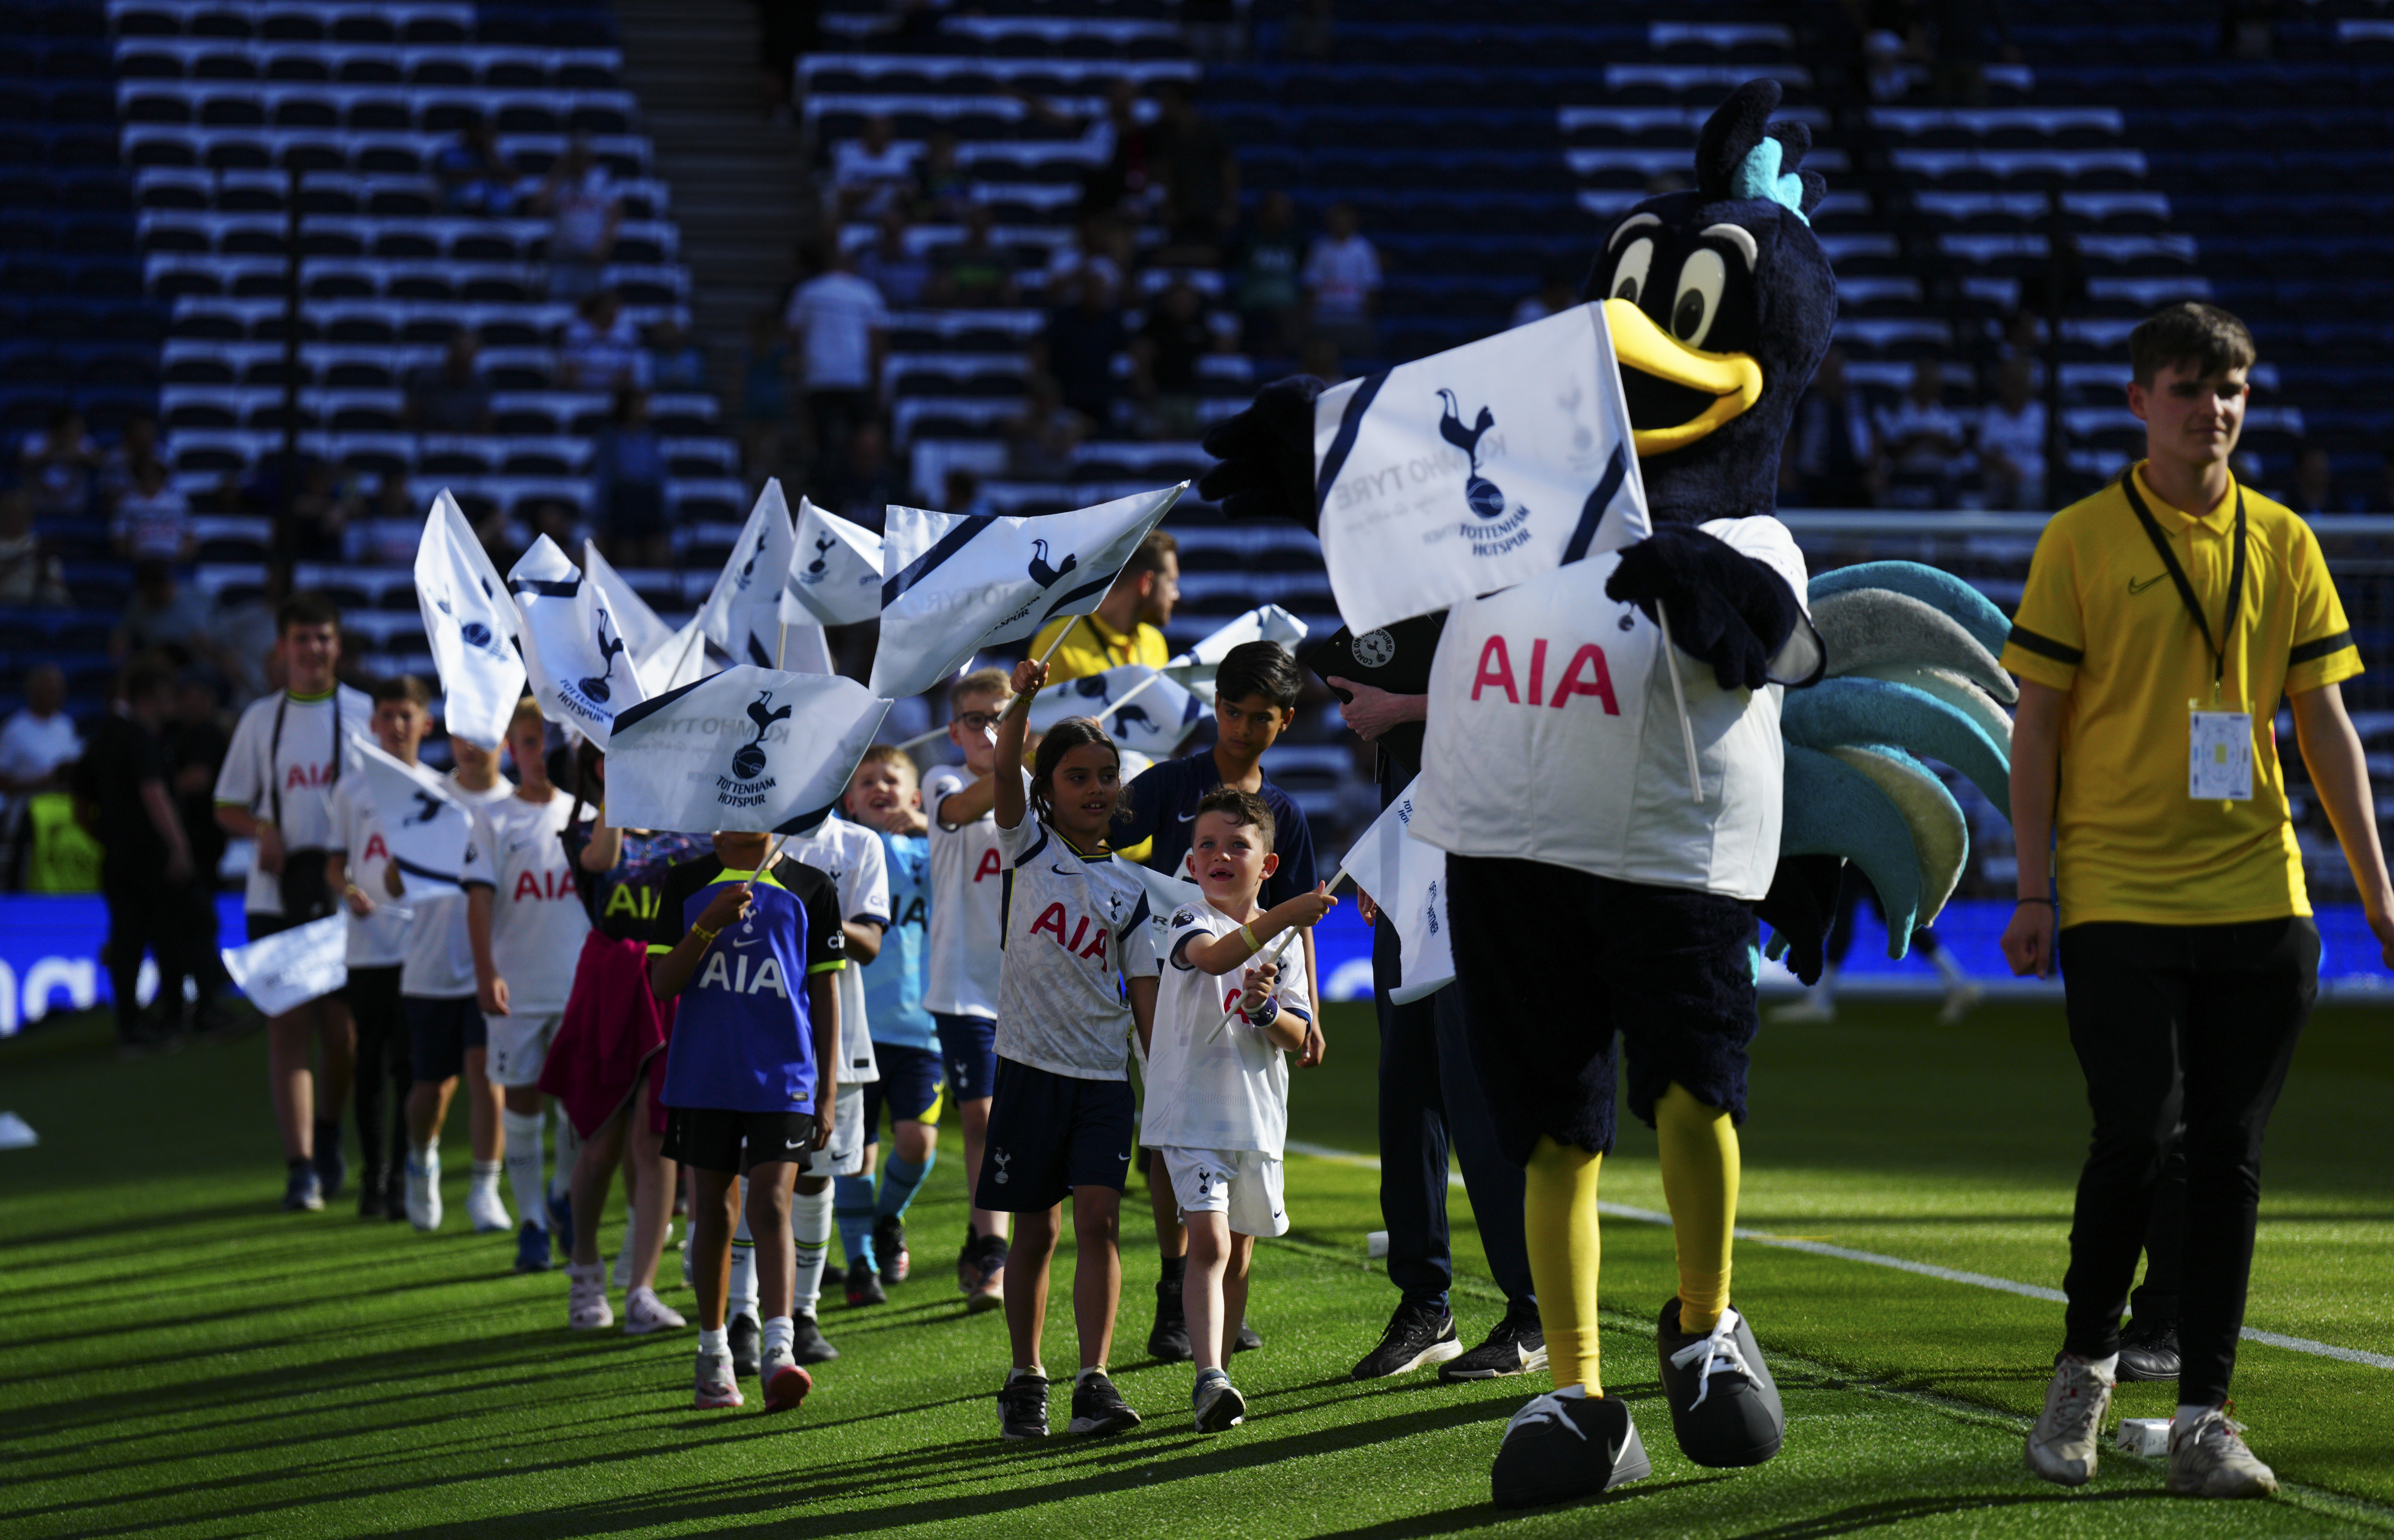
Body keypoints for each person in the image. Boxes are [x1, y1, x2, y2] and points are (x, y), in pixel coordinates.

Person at [2005, 303, 2393, 1497]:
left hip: (2258, 890)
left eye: (2226, 388)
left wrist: (2380, 894)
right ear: (2139, 403)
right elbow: (2040, 724)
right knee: (2137, 1133)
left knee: (2227, 1156)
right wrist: (2032, 885)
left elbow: (2324, 726)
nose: (2209, 409)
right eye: (2185, 387)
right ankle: (2085, 1367)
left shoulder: (2287, 540)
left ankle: (2207, 1416)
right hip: (2117, 887)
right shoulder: (2078, 539)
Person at [1109, 640, 1322, 1356]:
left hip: (1247, 987)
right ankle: (1178, 1286)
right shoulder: (1173, 782)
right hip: (1156, 969)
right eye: (1232, 710)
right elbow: (1098, 836)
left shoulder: (1282, 812)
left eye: (1259, 715)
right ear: (1216, 706)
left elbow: (1300, 912)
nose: (1241, 726)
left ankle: (1212, 1288)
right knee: (1169, 1129)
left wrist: (1309, 1007)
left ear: (1284, 720)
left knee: (1226, 1128)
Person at [983, 662, 1153, 1440]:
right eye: (1078, 775)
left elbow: (1145, 995)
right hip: (1027, 1067)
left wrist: (1165, 1089)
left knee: (1100, 1221)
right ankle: (1026, 1376)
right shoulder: (1025, 844)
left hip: (1101, 1078)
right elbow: (1003, 757)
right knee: (1038, 1229)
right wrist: (1020, 696)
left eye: (1107, 776)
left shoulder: (1133, 886)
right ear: (1046, 788)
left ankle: (1094, 1378)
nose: (1096, 788)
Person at [1142, 789, 1331, 1430]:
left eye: (1237, 846)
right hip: (1190, 1115)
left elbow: (1300, 1037)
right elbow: (1214, 958)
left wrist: (1262, 1008)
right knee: (1212, 1242)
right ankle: (1210, 1376)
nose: (1219, 856)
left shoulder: (1286, 948)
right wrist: (1286, 921)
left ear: (1268, 865)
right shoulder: (1190, 918)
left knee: (1240, 1254)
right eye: (1206, 846)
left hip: (1255, 1119)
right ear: (1191, 864)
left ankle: (1217, 1383)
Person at [648, 829, 846, 1415]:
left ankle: (780, 1351)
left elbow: (824, 990)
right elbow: (662, 983)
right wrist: (708, 922)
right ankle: (713, 1354)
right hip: (703, 1073)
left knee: (772, 1203)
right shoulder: (684, 881)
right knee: (714, 1208)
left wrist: (827, 1090)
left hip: (784, 1075)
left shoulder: (812, 884)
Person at [211, 595, 373, 1212]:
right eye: (303, 639)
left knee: (343, 1037)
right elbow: (227, 805)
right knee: (288, 1028)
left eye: (324, 638)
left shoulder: (363, 715)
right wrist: (261, 830)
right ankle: (300, 1165)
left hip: (343, 897)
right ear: (282, 648)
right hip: (275, 894)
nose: (314, 650)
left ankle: (328, 1133)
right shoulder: (260, 720)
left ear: (338, 645)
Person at [543, 745, 692, 1334]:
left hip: (667, 985)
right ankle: (584, 1269)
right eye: (612, 756)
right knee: (600, 1145)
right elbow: (603, 858)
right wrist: (622, 791)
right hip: (609, 984)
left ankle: (643, 1289)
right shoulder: (584, 828)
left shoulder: (690, 832)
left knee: (655, 1143)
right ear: (596, 768)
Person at [465, 701, 593, 1274]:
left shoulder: (585, 815)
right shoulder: (494, 818)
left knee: (574, 1101)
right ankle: (533, 1220)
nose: (539, 753)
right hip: (517, 985)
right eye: (527, 742)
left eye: (547, 742)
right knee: (519, 1098)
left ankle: (563, 1192)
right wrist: (487, 971)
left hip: (578, 982)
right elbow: (478, 899)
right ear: (510, 749)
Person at [391, 728, 516, 1232]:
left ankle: (485, 1189)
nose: (471, 747)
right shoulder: (430, 799)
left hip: (496, 968)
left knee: (487, 1075)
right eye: (462, 736)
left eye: (482, 738)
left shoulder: (516, 806)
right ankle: (421, 1160)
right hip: (430, 966)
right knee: (430, 1090)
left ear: (503, 742)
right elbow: (391, 882)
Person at [922, 667, 1017, 1309]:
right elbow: (965, 809)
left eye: (1000, 718)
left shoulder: (1037, 786)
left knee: (1014, 1123)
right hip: (962, 986)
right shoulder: (943, 782)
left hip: (1028, 985)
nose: (988, 730)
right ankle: (993, 1251)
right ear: (955, 730)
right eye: (977, 720)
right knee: (982, 1117)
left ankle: (989, 1235)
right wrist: (1020, 759)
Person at [325, 676, 431, 1219]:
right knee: (366, 1065)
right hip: (367, 948)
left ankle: (404, 1178)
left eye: (405, 715)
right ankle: (375, 1177)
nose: (395, 726)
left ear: (425, 723)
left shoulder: (437, 788)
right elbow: (334, 860)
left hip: (419, 949)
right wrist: (347, 890)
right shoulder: (352, 789)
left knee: (409, 1068)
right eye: (387, 715)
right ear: (372, 724)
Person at [839, 747, 942, 1299]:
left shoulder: (933, 848)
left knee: (917, 1140)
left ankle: (886, 1219)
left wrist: (932, 827)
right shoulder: (844, 846)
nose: (880, 786)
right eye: (866, 781)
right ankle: (859, 1261)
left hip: (921, 1027)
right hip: (852, 1024)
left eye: (891, 778)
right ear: (849, 799)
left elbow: (982, 842)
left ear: (916, 796)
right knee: (854, 1148)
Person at [77, 659, 199, 1056]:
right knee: (167, 938)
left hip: (118, 857)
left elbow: (80, 803)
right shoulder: (140, 739)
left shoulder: (101, 738)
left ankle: (130, 1026)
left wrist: (107, 838)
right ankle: (171, 1020)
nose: (172, 705)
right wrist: (179, 846)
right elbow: (154, 794)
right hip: (152, 858)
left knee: (126, 943)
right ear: (150, 697)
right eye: (167, 696)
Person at [1767, 865, 1980, 1025]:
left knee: (1846, 908)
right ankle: (1957, 983)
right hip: (1874, 839)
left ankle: (1819, 1000)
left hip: (1859, 840)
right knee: (1891, 914)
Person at [784, 242, 889, 483]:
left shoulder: (808, 291)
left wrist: (801, 365)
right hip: (855, 376)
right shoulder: (865, 292)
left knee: (822, 441)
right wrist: (878, 381)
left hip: (818, 375)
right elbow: (877, 342)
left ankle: (822, 487)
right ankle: (857, 483)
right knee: (861, 434)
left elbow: (793, 335)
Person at [1027, 530, 1179, 680]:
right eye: (1171, 582)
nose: (1176, 595)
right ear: (1147, 582)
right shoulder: (1054, 643)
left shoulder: (1156, 641)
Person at [592, 388, 672, 570]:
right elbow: (605, 475)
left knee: (656, 548)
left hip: (649, 497)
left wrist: (665, 507)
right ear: (627, 407)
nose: (644, 409)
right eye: (639, 405)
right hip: (623, 498)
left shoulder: (652, 436)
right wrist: (601, 512)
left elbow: (660, 474)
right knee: (626, 551)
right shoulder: (611, 437)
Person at [534, 137, 621, 302]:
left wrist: (605, 246)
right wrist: (557, 173)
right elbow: (538, 208)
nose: (579, 161)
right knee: (557, 303)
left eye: (583, 156)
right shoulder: (559, 180)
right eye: (575, 156)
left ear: (591, 158)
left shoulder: (603, 179)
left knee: (589, 303)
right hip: (561, 256)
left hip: (590, 256)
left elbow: (616, 216)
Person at [1875, 358, 1970, 508]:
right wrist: (1919, 438)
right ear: (1916, 384)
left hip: (1938, 477)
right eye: (1925, 383)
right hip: (1905, 476)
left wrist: (1934, 440)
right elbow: (1891, 451)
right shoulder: (1897, 414)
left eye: (1933, 384)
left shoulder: (1948, 417)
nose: (1929, 388)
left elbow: (1957, 451)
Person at [1227, 191, 1304, 358]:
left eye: (1284, 212)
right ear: (1263, 213)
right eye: (1274, 211)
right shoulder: (1247, 239)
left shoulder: (1298, 241)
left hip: (1287, 308)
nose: (1279, 216)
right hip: (1254, 307)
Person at [1302, 202, 1382, 359]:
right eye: (1337, 219)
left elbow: (1373, 289)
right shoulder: (1320, 248)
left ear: (1353, 222)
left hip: (1354, 315)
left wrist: (1365, 313)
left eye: (1345, 219)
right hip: (1324, 315)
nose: (1341, 223)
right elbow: (1310, 287)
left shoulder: (1364, 248)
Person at [1974, 356, 2046, 511]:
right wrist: (2006, 468)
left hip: (2035, 482)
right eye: (2009, 382)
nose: (2013, 388)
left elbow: (2056, 454)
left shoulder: (2040, 414)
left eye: (2018, 383)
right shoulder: (1991, 415)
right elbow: (1984, 455)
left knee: (2031, 491)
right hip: (1999, 483)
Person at [830, 113, 915, 222]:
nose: (880, 139)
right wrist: (874, 189)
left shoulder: (901, 156)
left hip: (888, 213)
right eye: (876, 134)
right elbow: (841, 193)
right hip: (852, 211)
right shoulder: (847, 153)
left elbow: (911, 190)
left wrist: (902, 191)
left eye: (885, 135)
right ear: (866, 134)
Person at [108, 458, 193, 565]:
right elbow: (119, 535)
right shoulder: (127, 502)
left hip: (172, 561)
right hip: (139, 561)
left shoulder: (177, 502)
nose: (149, 479)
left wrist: (181, 559)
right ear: (138, 477)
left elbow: (190, 535)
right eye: (145, 476)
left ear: (162, 477)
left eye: (153, 475)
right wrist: (130, 558)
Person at [559, 289, 647, 394]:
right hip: (583, 383)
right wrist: (577, 392)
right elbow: (570, 366)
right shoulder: (577, 330)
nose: (610, 313)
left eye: (613, 310)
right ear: (595, 311)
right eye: (605, 311)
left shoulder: (627, 332)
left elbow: (628, 368)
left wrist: (617, 392)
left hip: (615, 385)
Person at [405, 333, 494, 435]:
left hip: (467, 441)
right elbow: (411, 416)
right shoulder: (427, 380)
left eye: (467, 354)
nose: (463, 357)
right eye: (460, 352)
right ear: (451, 352)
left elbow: (485, 421)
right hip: (428, 438)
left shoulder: (480, 384)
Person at [0, 488, 71, 606]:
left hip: (30, 614)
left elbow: (58, 595)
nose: (14, 518)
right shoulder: (35, 550)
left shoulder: (41, 548)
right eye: (9, 513)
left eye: (19, 513)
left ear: (29, 517)